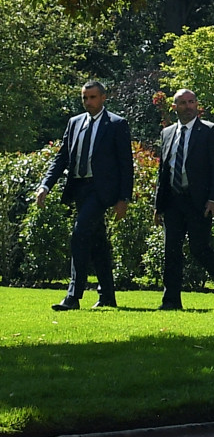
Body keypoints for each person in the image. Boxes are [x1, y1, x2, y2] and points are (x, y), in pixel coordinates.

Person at [35, 81, 134, 310]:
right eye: (85, 98)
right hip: (79, 188)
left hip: (101, 191)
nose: (88, 102)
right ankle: (108, 296)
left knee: (79, 235)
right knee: (97, 242)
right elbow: (62, 158)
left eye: (92, 97)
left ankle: (73, 296)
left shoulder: (116, 124)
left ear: (103, 98)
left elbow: (125, 164)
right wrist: (45, 186)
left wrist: (123, 198)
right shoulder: (75, 123)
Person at [155, 88, 214, 310]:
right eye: (183, 103)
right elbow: (163, 171)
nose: (188, 106)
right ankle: (171, 300)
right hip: (173, 200)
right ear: (175, 107)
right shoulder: (167, 133)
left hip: (199, 200)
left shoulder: (209, 131)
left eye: (192, 102)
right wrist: (158, 206)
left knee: (199, 248)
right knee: (171, 250)